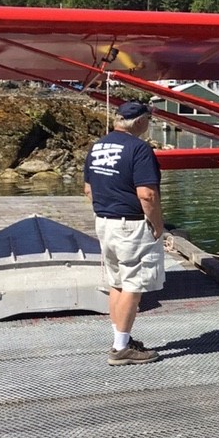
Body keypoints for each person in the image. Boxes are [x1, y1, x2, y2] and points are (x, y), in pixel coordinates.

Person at [84, 100, 166, 366]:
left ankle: (121, 339)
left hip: (104, 222)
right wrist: (157, 224)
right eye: (149, 121)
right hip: (130, 225)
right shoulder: (140, 149)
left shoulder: (97, 146)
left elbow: (88, 189)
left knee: (116, 282)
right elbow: (147, 194)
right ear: (141, 122)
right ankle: (121, 349)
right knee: (133, 284)